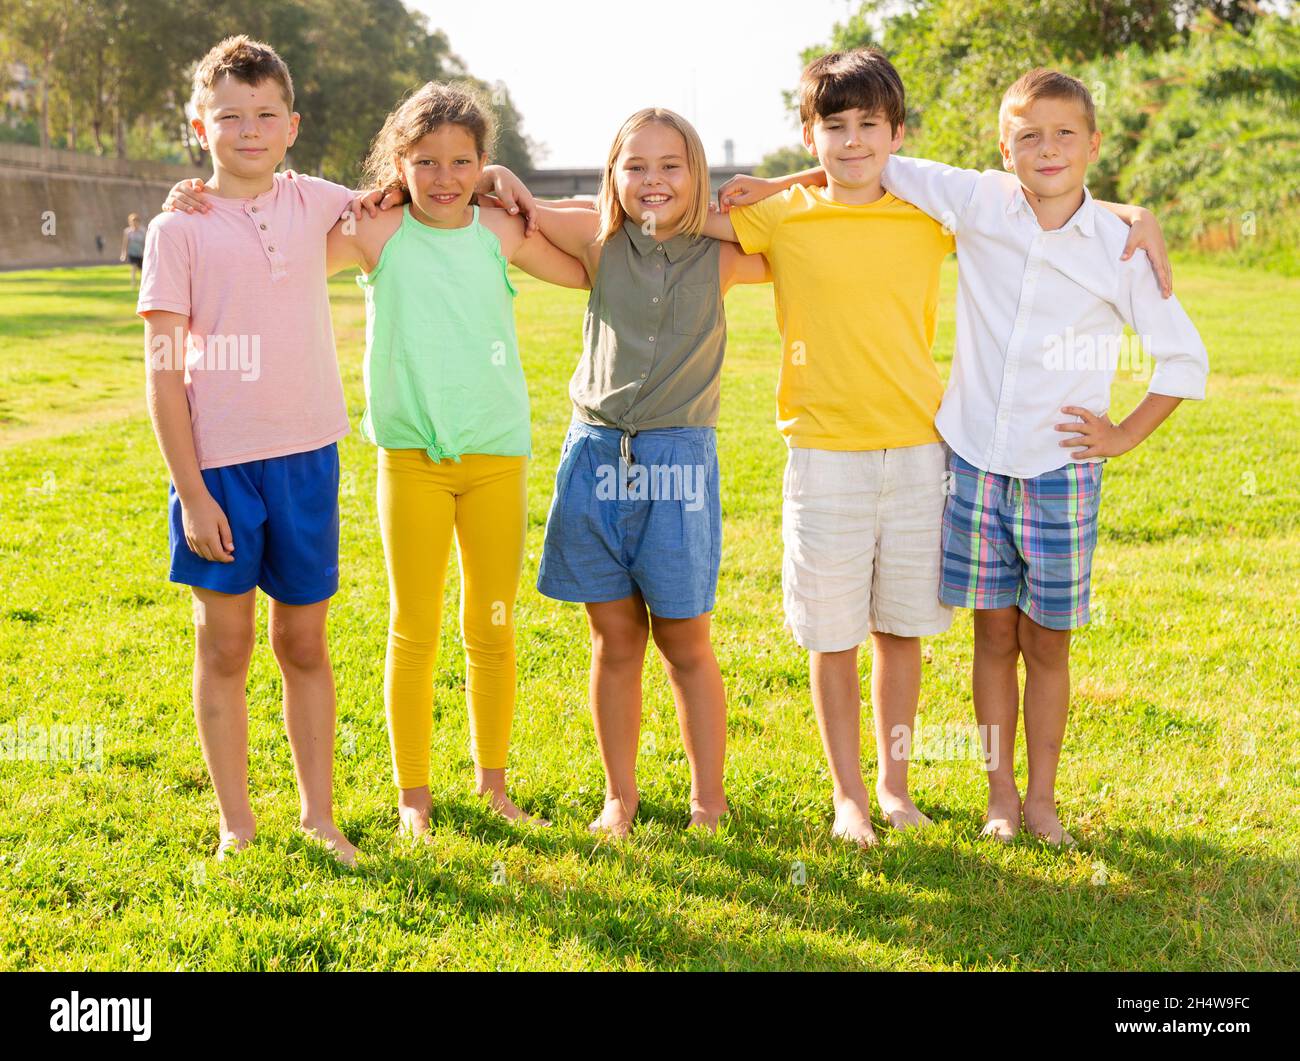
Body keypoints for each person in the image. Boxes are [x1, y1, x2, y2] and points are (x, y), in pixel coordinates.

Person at [325, 81, 588, 840]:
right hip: (410, 461)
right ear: (398, 163)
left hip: (496, 456)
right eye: (427, 161)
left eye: (464, 161)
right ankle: (414, 792)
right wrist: (197, 198)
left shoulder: (498, 230)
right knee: (414, 626)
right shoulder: (377, 235)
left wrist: (519, 192)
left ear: (483, 163)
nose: (445, 178)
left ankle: (494, 783)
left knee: (493, 624)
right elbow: (279, 241)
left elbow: (585, 264)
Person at [138, 35, 361, 863]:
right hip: (219, 468)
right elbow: (162, 374)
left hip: (308, 457)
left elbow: (418, 190)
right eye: (229, 115)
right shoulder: (177, 227)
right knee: (223, 644)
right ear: (200, 126)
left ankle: (319, 815)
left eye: (266, 113)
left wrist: (499, 179)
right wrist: (192, 492)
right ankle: (237, 822)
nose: (250, 129)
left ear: (293, 123)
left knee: (304, 643)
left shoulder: (316, 201)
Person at [120, 213, 146, 286]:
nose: (134, 223)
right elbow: (125, 243)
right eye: (132, 222)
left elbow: (145, 242)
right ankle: (133, 282)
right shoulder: (128, 231)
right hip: (132, 253)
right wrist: (123, 254)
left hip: (141, 253)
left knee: (142, 269)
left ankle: (143, 283)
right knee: (133, 266)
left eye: (136, 222)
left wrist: (145, 252)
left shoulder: (143, 231)